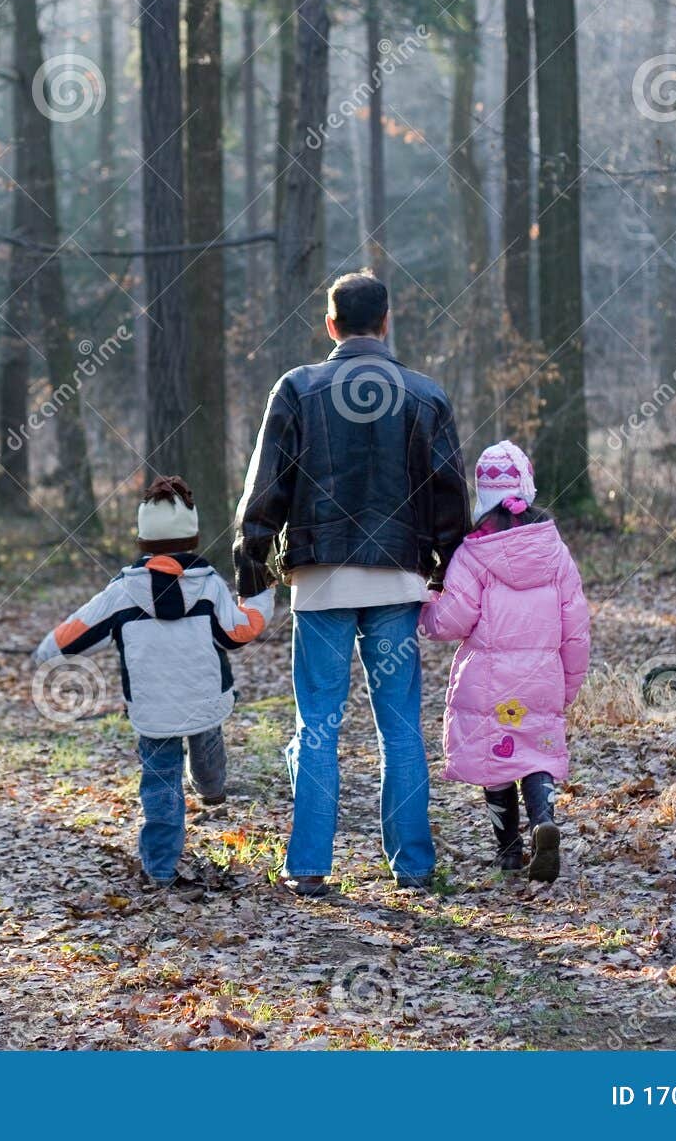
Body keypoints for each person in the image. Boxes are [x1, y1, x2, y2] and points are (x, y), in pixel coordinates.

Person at [233, 269, 470, 896]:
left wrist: (252, 571)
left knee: (318, 724)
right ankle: (414, 866)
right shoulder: (425, 395)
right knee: (400, 726)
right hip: (398, 576)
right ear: (387, 322)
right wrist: (449, 570)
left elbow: (265, 488)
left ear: (331, 324)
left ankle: (309, 866)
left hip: (321, 578)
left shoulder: (298, 389)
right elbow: (449, 496)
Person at [33, 476, 273, 888]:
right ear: (193, 537)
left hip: (152, 706)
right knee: (206, 737)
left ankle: (161, 865)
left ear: (143, 540)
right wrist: (262, 597)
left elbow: (77, 630)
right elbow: (237, 632)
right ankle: (211, 787)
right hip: (205, 697)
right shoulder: (211, 585)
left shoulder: (121, 593)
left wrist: (46, 652)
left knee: (160, 779)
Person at [419, 440, 590, 883]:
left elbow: (451, 622)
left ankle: (509, 851)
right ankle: (543, 822)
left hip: (489, 681)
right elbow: (576, 627)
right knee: (535, 753)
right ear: (528, 489)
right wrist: (569, 684)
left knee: (496, 760)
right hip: (543, 678)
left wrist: (427, 607)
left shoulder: (473, 553)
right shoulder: (554, 550)